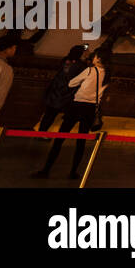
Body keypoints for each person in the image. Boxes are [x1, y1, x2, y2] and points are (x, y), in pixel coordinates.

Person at [32, 48, 108, 179]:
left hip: (77, 105)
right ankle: (73, 172)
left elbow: (72, 83)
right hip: (90, 109)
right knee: (81, 141)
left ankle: (46, 169)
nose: (92, 58)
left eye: (94, 56)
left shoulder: (89, 70)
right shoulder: (107, 74)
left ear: (99, 58)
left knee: (60, 138)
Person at [36, 44, 86, 131]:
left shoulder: (65, 60)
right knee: (53, 115)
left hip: (54, 91)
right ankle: (42, 133)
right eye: (85, 52)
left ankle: (41, 131)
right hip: (64, 94)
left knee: (48, 114)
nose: (87, 54)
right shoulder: (80, 65)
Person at [0, 36, 17, 117]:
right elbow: (1, 93)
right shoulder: (6, 69)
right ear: (7, 50)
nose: (15, 50)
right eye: (14, 48)